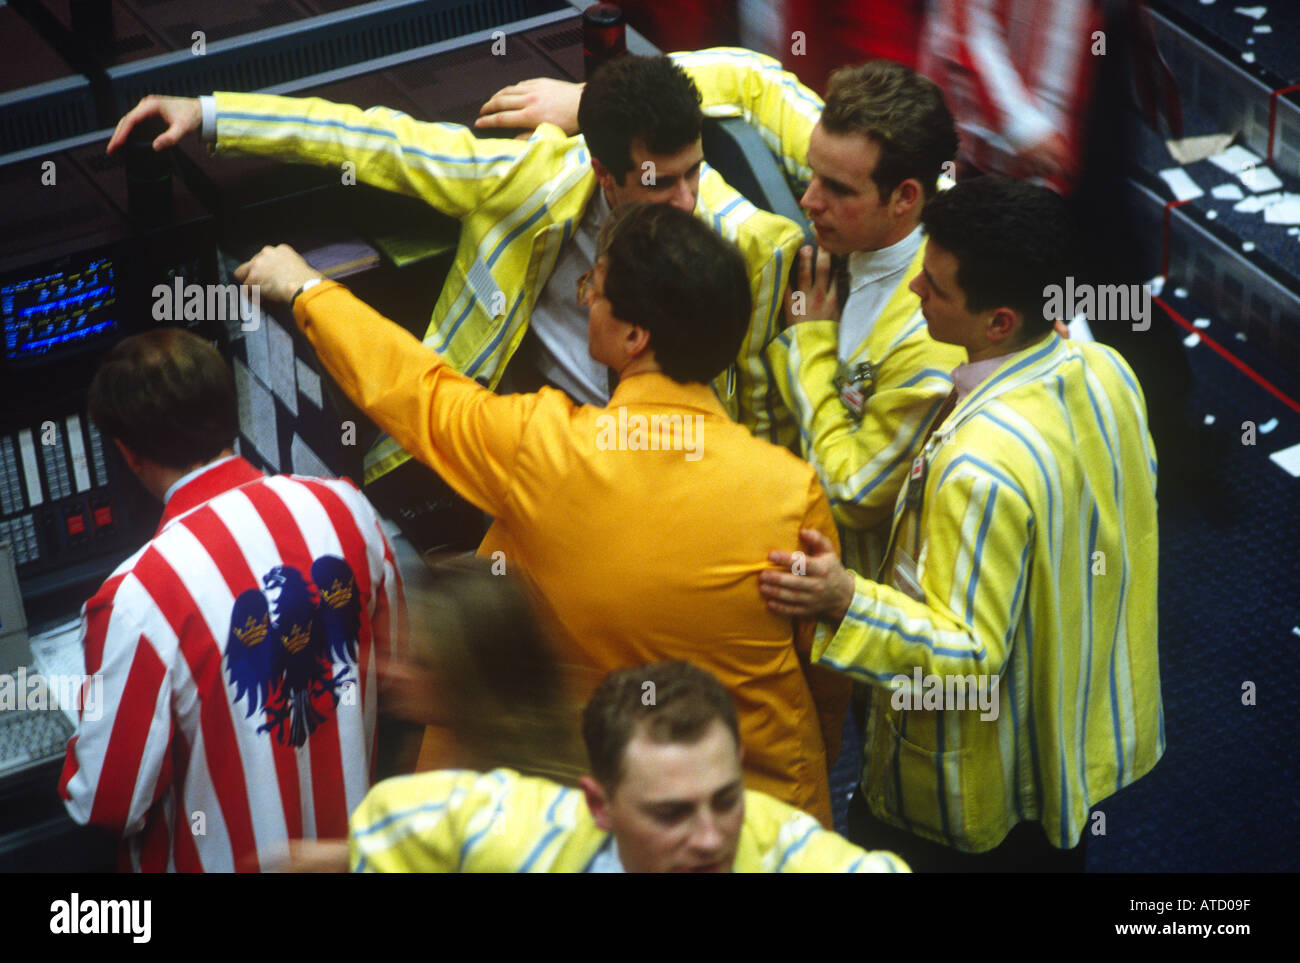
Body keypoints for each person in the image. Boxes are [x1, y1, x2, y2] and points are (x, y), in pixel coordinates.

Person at [235, 202, 849, 827]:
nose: (586, 300)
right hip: (776, 826)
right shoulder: (791, 490)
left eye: (596, 288)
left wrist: (310, 291)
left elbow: (417, 391)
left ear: (636, 338)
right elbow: (828, 674)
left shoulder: (544, 450)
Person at [107, 54, 804, 500]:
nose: (687, 202)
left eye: (695, 174)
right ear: (604, 174)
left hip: (685, 487)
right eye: (662, 183)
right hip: (552, 466)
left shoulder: (756, 249)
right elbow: (379, 141)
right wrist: (212, 115)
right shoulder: (528, 181)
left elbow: (753, 75)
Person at [758, 177, 1164, 871]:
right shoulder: (1107, 369)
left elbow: (970, 658)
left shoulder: (979, 465)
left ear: (999, 321)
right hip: (1065, 739)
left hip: (961, 809)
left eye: (936, 287)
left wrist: (844, 599)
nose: (913, 288)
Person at [479, 53, 966, 580]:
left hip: (838, 582)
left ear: (905, 198)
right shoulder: (859, 164)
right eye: (813, 172)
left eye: (836, 190)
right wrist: (587, 103)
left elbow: (852, 494)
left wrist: (809, 346)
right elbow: (748, 76)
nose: (807, 199)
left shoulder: (934, 330)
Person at [59, 329, 405, 872]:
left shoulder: (135, 597)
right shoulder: (349, 511)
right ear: (230, 409)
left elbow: (103, 801)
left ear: (129, 454)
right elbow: (397, 678)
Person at [350, 661, 907, 873]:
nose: (712, 838)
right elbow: (390, 820)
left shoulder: (785, 851)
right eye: (671, 814)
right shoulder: (520, 833)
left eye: (725, 798)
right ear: (599, 805)